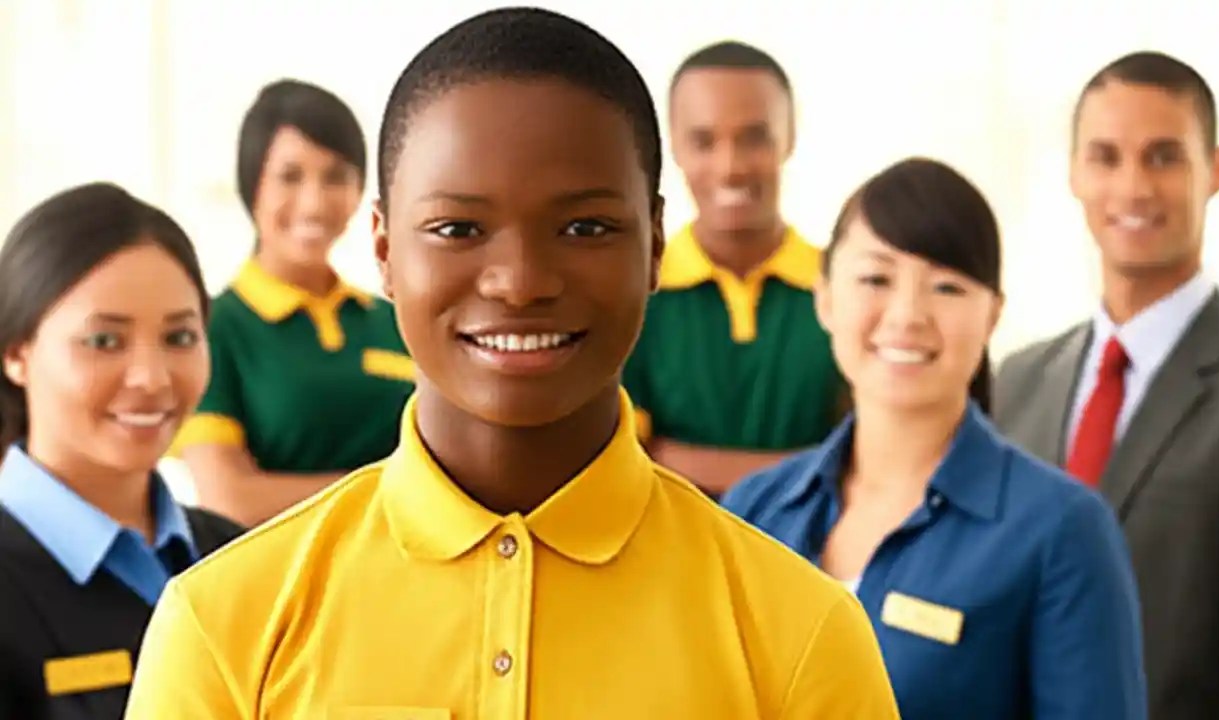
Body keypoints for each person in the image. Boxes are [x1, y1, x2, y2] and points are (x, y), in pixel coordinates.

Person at [122, 8, 899, 719]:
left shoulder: (802, 634)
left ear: (655, 243)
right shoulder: (223, 623)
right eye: (459, 229)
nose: (520, 282)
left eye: (586, 226)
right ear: (386, 252)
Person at [723, 158, 1147, 720]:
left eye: (946, 286)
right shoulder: (753, 511)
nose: (907, 315)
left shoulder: (1061, 531)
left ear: (992, 315)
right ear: (824, 297)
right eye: (876, 279)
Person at [993, 51, 1219, 720]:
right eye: (1105, 156)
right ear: (1073, 172)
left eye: (1163, 156)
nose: (1133, 187)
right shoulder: (1018, 383)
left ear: (1216, 170)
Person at [0, 183, 243, 719]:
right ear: (16, 352)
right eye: (104, 341)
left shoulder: (242, 559)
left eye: (179, 338)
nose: (152, 380)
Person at [171, 79, 414, 527]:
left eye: (336, 176)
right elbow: (229, 498)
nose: (315, 202)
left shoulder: (397, 320)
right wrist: (400, 486)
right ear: (252, 184)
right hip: (280, 585)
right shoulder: (213, 328)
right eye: (290, 176)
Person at [622, 41, 844, 496]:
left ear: (791, 137)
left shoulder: (845, 290)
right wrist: (811, 465)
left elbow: (872, 464)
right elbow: (619, 464)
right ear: (674, 147)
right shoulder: (632, 292)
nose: (731, 167)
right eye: (704, 141)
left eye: (754, 137)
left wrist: (673, 456)